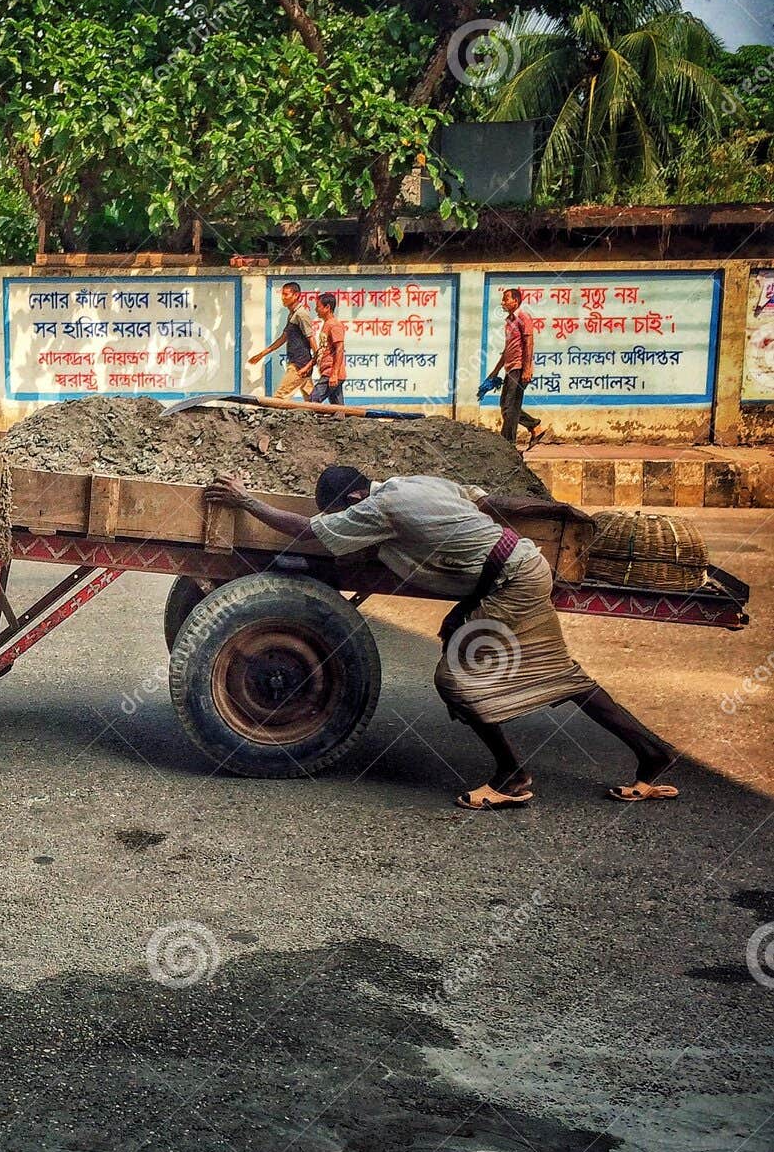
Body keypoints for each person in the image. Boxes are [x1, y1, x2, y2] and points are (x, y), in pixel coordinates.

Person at [202, 465, 678, 809]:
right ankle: (652, 755)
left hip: (511, 583)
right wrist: (554, 510)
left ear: (351, 502)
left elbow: (310, 532)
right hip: (521, 565)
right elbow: (491, 501)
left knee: (454, 681)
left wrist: (245, 500)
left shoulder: (379, 507)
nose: (344, 520)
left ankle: (512, 777)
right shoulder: (413, 483)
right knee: (547, 669)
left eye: (340, 512)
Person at [484, 286, 545, 449]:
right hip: (510, 368)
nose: (502, 302)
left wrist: (527, 369)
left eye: (506, 299)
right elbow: (507, 350)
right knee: (506, 406)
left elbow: (529, 343)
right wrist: (495, 371)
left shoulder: (523, 318)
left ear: (515, 301)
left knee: (510, 407)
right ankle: (534, 426)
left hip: (519, 368)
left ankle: (508, 445)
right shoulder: (509, 322)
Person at [248, 280, 315, 398]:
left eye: (286, 295)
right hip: (299, 362)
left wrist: (315, 361)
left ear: (296, 295)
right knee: (312, 400)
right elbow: (283, 338)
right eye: (282, 294)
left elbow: (311, 338)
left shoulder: (301, 314)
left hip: (299, 364)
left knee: (280, 397)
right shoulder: (292, 315)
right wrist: (262, 354)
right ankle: (325, 415)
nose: (283, 298)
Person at [309, 292, 346, 404]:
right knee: (337, 409)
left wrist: (334, 374)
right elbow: (323, 349)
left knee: (313, 399)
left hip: (331, 373)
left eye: (318, 307)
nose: (316, 310)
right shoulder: (327, 324)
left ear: (327, 307)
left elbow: (339, 349)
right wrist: (309, 366)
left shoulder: (335, 325)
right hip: (329, 372)